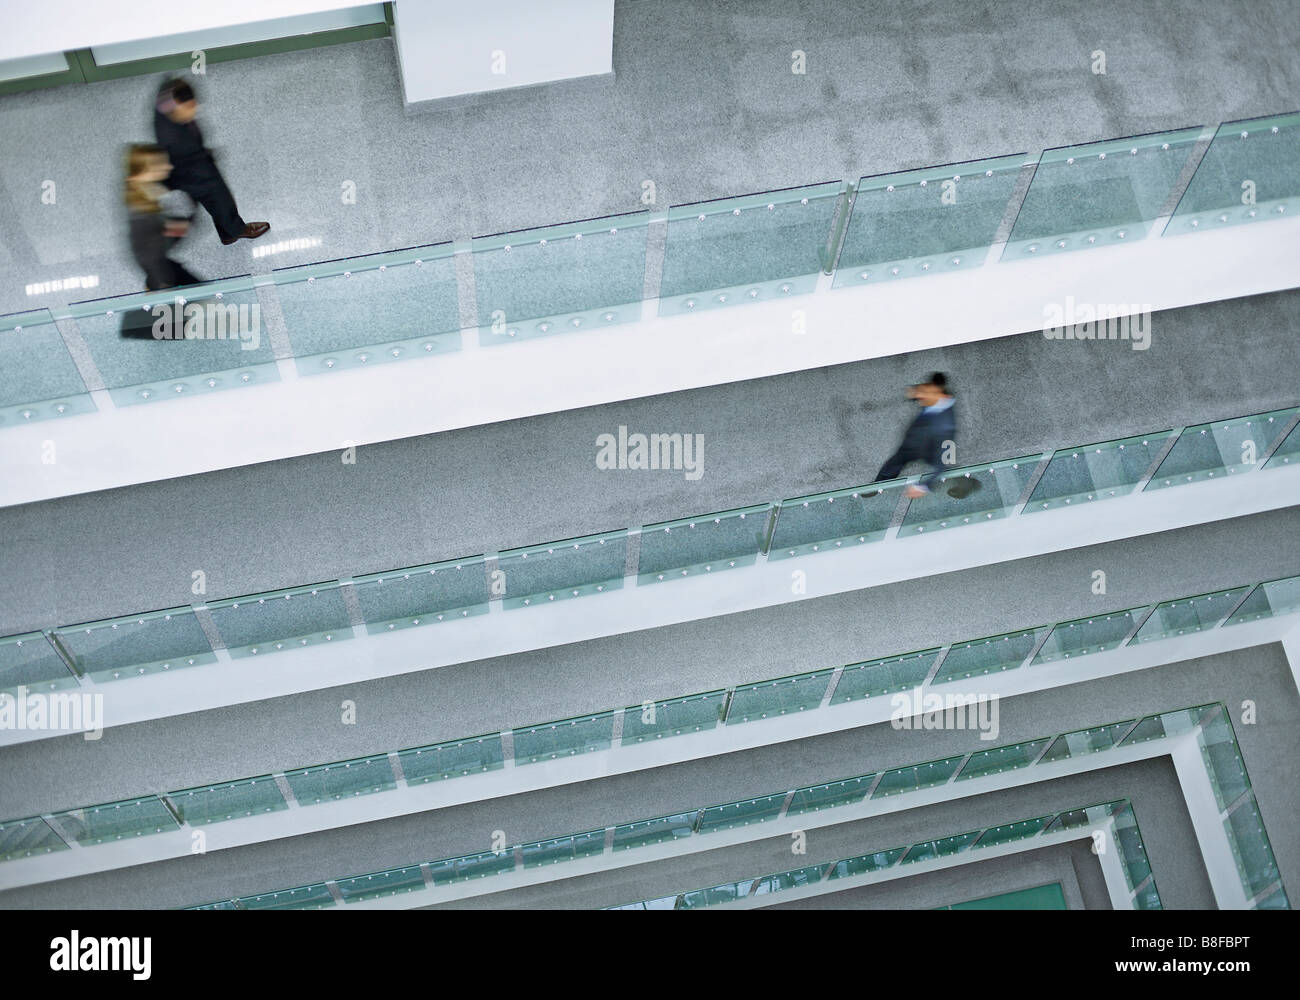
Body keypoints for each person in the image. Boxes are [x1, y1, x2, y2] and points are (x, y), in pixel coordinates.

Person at [153, 78, 269, 246]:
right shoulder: (176, 140)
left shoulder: (164, 101)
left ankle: (226, 233)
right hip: (193, 174)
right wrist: (208, 164)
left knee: (215, 204)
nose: (194, 111)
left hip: (186, 167)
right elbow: (193, 164)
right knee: (221, 201)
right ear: (177, 105)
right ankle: (234, 231)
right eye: (189, 108)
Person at [866, 373, 977, 499]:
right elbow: (924, 391)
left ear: (937, 393)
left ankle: (967, 483)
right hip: (913, 443)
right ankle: (878, 485)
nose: (919, 395)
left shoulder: (946, 427)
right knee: (893, 463)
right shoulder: (936, 397)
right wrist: (915, 392)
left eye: (923, 393)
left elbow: (944, 460)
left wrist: (924, 486)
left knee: (944, 465)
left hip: (930, 447)